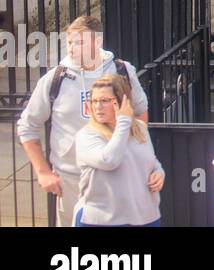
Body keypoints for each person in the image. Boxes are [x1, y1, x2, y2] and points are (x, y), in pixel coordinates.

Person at [16, 15, 149, 226]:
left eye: (79, 42)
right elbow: (27, 126)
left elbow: (141, 111)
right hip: (71, 179)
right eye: (70, 42)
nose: (72, 48)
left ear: (97, 42)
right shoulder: (54, 79)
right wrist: (42, 172)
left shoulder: (122, 72)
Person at [73, 75, 164, 227]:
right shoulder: (86, 135)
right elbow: (109, 160)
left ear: (123, 102)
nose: (98, 106)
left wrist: (159, 172)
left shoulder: (140, 128)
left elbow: (151, 160)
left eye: (105, 101)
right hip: (101, 221)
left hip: (145, 218)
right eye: (94, 101)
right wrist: (123, 122)